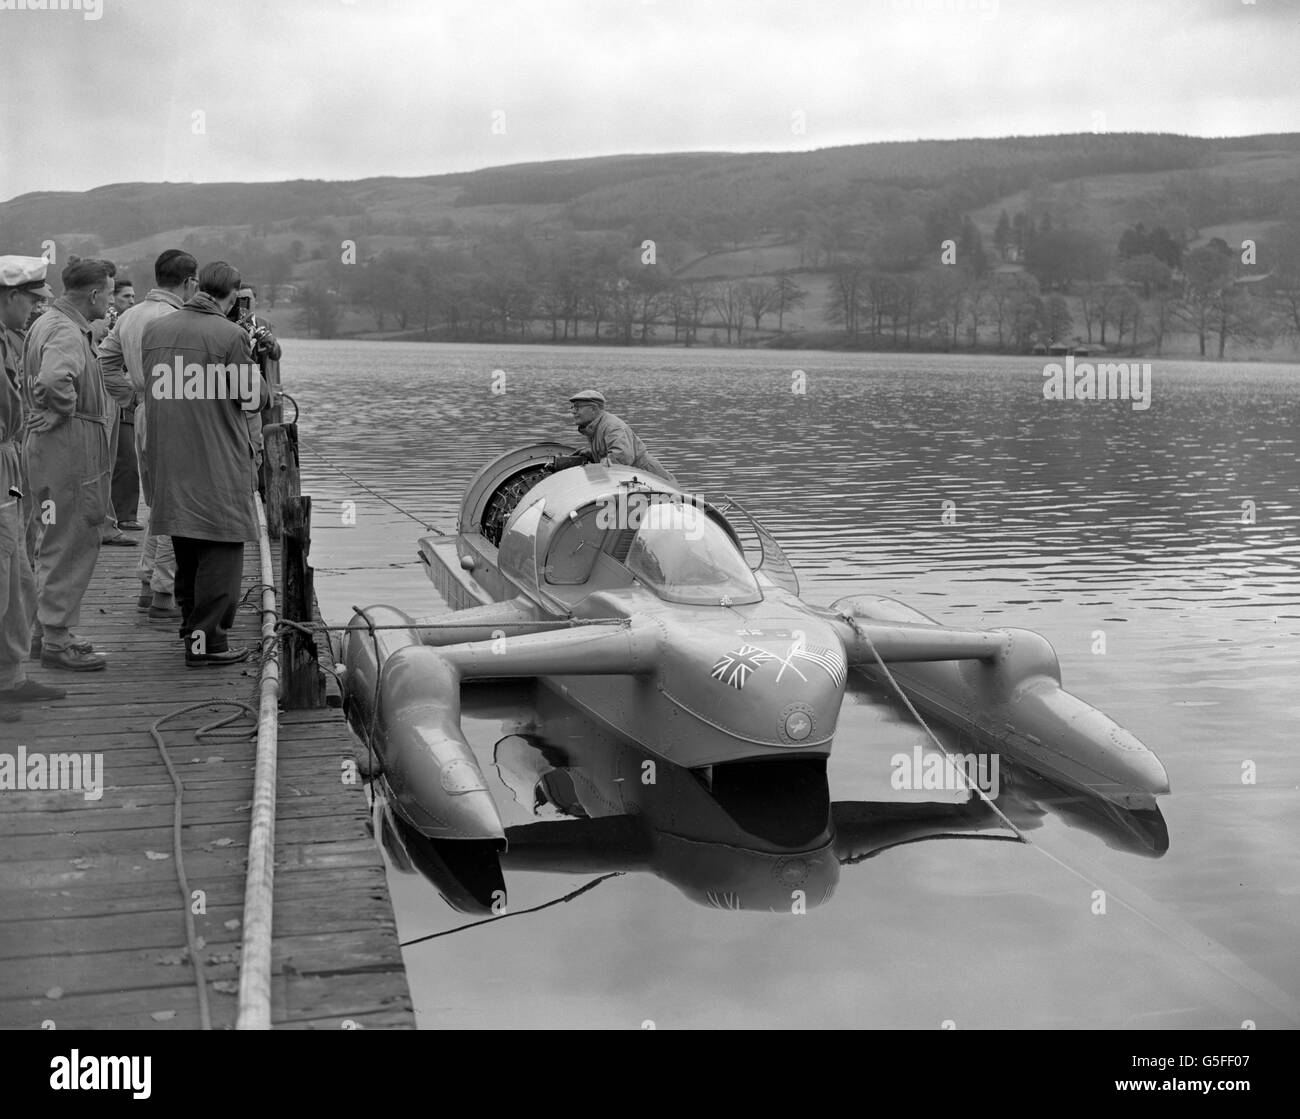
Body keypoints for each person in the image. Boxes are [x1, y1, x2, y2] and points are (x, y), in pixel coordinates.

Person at [140, 261, 267, 667]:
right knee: (223, 550)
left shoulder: (156, 330)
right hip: (215, 458)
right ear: (232, 295)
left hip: (170, 457)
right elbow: (252, 397)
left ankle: (192, 636)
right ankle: (208, 642)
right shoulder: (230, 335)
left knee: (188, 548)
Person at [21, 257, 118, 671]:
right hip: (70, 446)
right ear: (94, 294)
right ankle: (57, 639)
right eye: (110, 293)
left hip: (52, 446)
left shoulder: (49, 321)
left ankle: (45, 632)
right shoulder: (64, 328)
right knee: (74, 537)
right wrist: (63, 411)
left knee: (51, 536)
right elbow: (53, 379)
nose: (111, 301)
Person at [98, 249, 196, 619]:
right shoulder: (180, 319)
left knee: (157, 502)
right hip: (174, 416)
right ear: (188, 282)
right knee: (177, 504)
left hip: (142, 412)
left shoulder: (129, 315)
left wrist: (129, 397)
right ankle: (163, 590)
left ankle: (146, 581)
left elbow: (105, 360)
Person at [0, 256, 68, 717]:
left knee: (18, 576)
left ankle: (9, 675)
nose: (37, 309)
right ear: (10, 296)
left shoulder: (12, 340)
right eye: (32, 299)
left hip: (10, 461)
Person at [557, 389, 677, 484]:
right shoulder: (596, 426)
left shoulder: (613, 427)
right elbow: (609, 450)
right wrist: (589, 453)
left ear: (593, 409)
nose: (573, 411)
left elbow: (623, 457)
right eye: (573, 407)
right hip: (637, 478)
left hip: (653, 479)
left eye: (577, 407)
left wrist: (597, 471)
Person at [107, 278, 142, 532]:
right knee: (108, 462)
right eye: (125, 297)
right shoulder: (102, 324)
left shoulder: (133, 325)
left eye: (133, 297)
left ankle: (127, 514)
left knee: (129, 459)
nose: (131, 301)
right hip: (107, 399)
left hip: (127, 401)